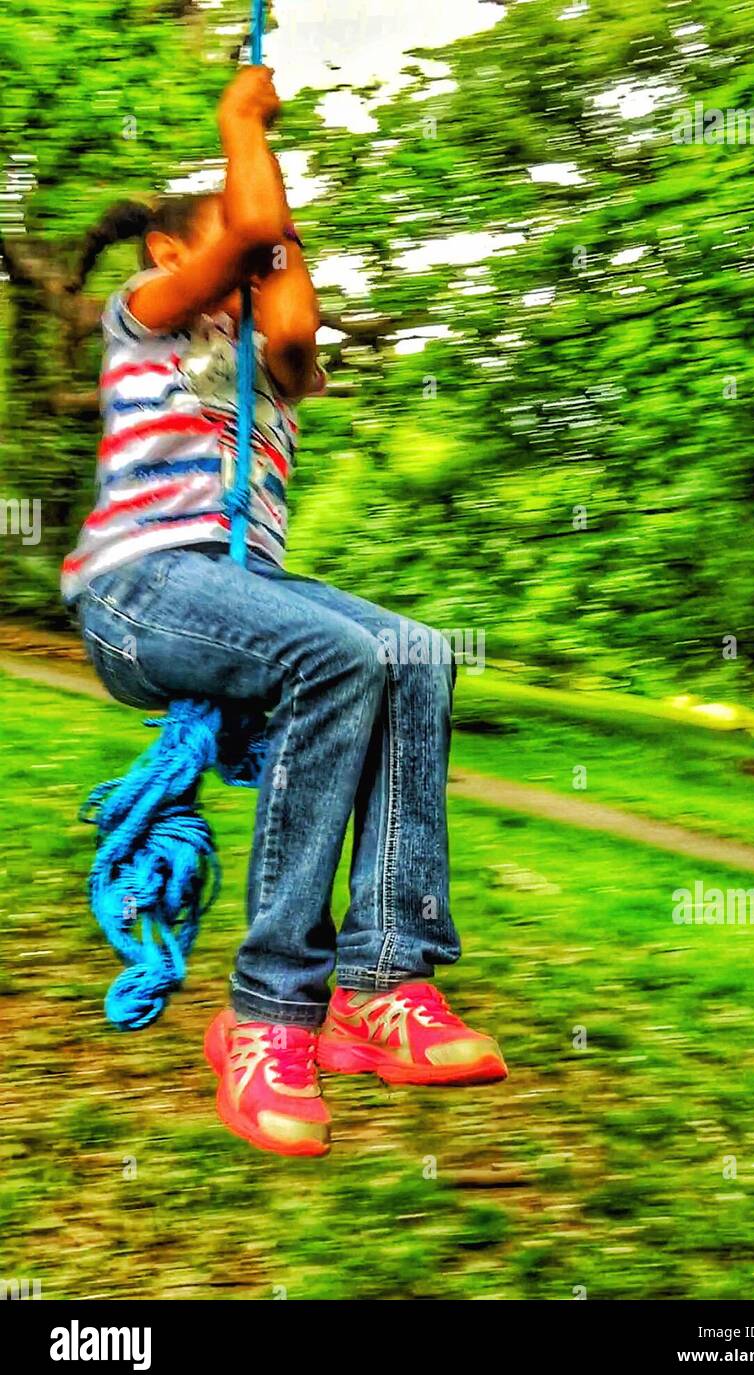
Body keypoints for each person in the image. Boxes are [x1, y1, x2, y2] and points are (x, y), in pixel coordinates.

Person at [62, 67, 506, 1158]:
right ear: (174, 256)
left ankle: (382, 982)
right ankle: (266, 1014)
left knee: (409, 651)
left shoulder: (265, 367)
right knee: (334, 656)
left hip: (240, 596)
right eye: (241, 248)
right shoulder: (149, 323)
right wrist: (236, 124)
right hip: (140, 590)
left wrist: (275, 232)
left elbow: (289, 300)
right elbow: (254, 225)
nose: (265, 256)